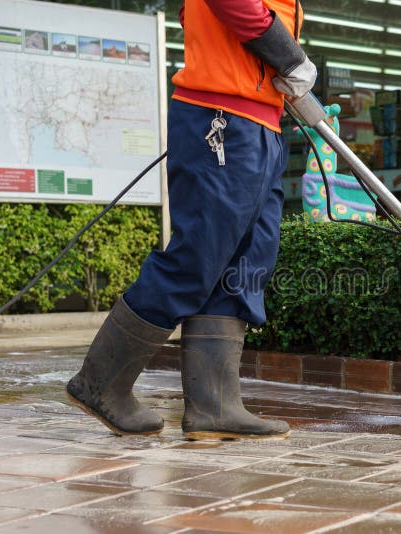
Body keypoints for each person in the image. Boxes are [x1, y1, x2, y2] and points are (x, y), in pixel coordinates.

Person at [66, 0, 317, 440]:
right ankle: (101, 382)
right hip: (220, 119)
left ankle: (214, 407)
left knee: (246, 262)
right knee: (197, 258)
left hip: (262, 124)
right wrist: (288, 55)